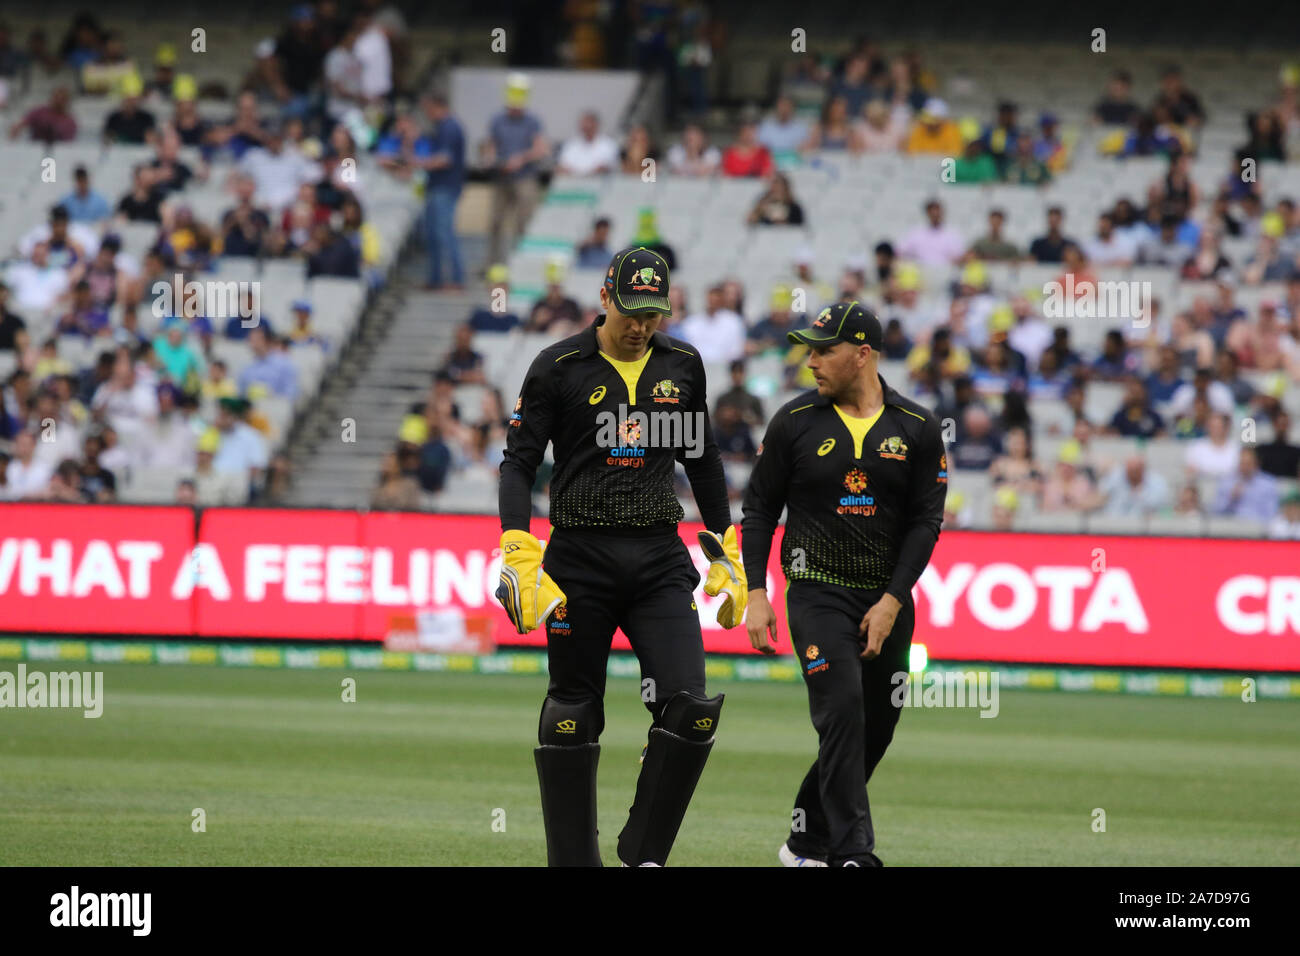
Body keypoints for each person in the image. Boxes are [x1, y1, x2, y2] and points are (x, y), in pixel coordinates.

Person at [497, 245, 744, 867]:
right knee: (572, 713)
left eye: (654, 313)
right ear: (605, 298)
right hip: (578, 559)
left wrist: (727, 545)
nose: (641, 326)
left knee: (691, 710)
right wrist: (517, 548)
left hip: (660, 560)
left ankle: (644, 855)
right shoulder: (558, 366)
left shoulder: (684, 365)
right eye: (631, 311)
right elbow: (519, 462)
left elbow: (703, 458)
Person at [742, 301, 946, 867]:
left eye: (823, 349)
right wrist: (756, 592)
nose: (810, 361)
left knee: (874, 730)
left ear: (862, 355)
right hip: (815, 589)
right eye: (808, 349)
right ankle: (855, 854)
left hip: (889, 601)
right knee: (843, 710)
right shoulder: (793, 422)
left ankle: (805, 843)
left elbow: (926, 522)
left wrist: (891, 601)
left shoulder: (919, 428)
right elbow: (758, 510)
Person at [483, 73, 548, 266]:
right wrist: (491, 158)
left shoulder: (532, 121)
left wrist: (521, 158)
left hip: (524, 178)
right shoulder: (497, 120)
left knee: (524, 223)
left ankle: (522, 263)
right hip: (502, 178)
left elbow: (540, 149)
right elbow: (490, 145)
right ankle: (493, 264)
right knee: (495, 222)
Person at [555, 110, 619, 177]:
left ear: (596, 124)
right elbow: (562, 166)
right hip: (573, 183)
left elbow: (606, 167)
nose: (585, 127)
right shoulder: (571, 144)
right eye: (583, 124)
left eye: (588, 124)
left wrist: (585, 174)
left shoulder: (609, 145)